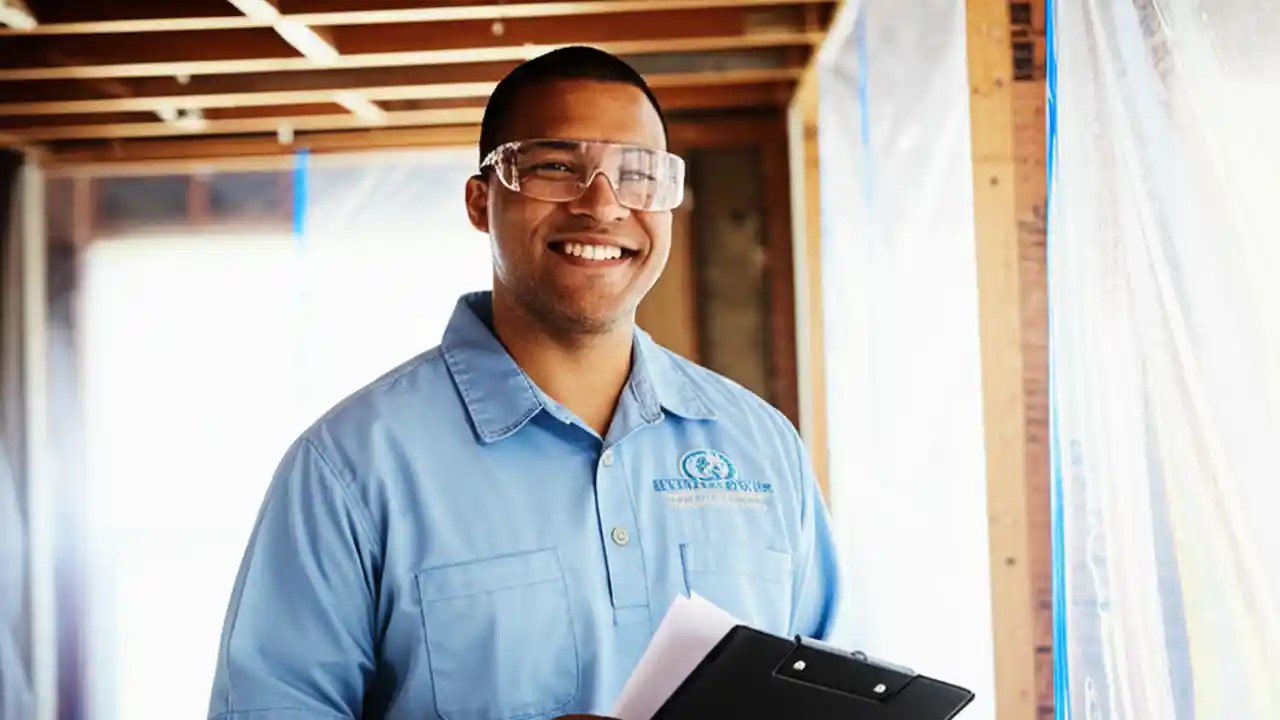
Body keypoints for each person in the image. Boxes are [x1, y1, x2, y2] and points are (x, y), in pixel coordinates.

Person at [208, 46, 843, 720]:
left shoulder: (759, 447)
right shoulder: (352, 468)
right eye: (554, 168)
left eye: (637, 175)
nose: (602, 206)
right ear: (481, 202)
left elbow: (831, 692)